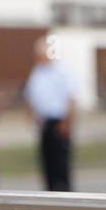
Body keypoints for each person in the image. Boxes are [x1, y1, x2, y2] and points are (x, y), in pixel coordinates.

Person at [25, 37, 77, 192]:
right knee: (47, 163)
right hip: (44, 122)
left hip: (60, 121)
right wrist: (31, 116)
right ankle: (50, 192)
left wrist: (68, 122)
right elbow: (29, 95)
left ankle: (64, 195)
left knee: (61, 163)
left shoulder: (62, 70)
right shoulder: (37, 72)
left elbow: (71, 98)